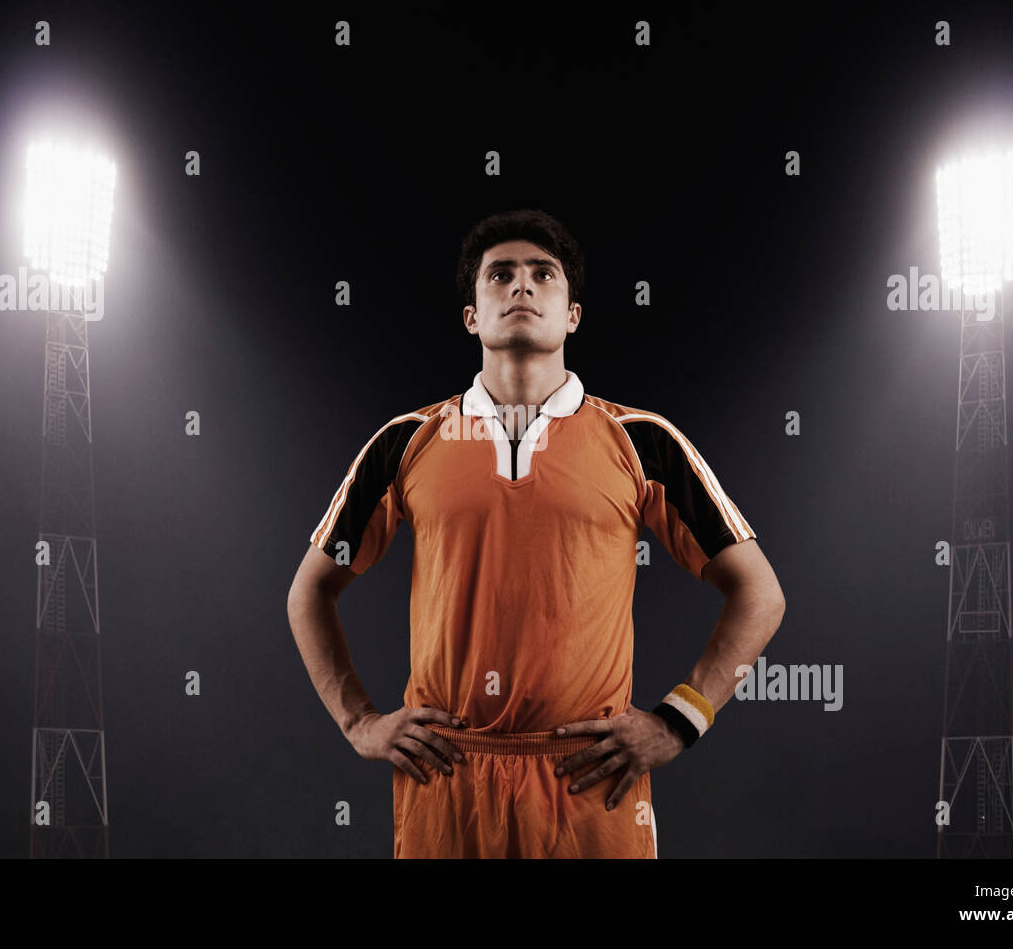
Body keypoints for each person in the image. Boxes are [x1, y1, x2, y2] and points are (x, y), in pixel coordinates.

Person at [287, 208, 785, 858]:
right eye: (500, 275)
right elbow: (309, 593)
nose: (521, 286)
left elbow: (760, 593)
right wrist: (358, 721)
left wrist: (679, 720)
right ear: (472, 314)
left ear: (572, 313)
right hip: (447, 781)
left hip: (589, 782)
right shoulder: (406, 443)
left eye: (542, 274)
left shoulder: (641, 441)